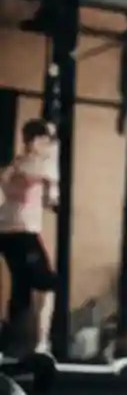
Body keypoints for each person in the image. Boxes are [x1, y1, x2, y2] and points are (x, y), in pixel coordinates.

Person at [0, 119, 59, 356]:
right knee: (48, 285)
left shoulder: (15, 165)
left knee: (21, 288)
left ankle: (13, 346)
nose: (49, 145)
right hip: (21, 232)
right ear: (35, 141)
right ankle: (41, 343)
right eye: (46, 140)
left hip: (8, 233)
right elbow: (52, 199)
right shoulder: (34, 164)